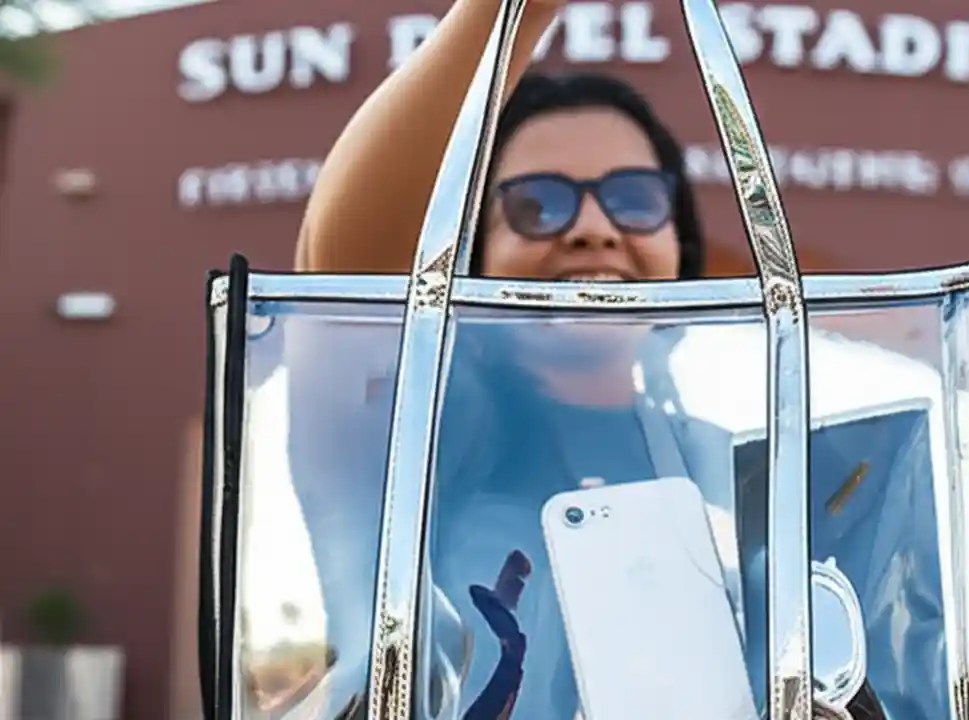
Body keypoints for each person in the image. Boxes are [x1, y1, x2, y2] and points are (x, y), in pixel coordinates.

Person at [287, 0, 914, 718]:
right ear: (475, 247)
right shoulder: (409, 433)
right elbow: (349, 267)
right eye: (536, 205)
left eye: (634, 199)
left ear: (679, 245)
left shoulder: (739, 477)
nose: (592, 228)